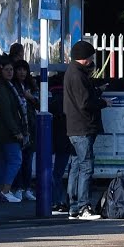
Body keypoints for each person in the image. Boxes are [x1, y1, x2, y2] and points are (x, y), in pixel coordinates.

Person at [64, 40, 107, 220]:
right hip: (83, 127)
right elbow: (85, 102)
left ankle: (73, 207)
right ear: (85, 58)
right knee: (86, 167)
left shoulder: (71, 72)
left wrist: (96, 90)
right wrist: (104, 102)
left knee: (75, 166)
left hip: (74, 127)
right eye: (90, 57)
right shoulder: (78, 75)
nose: (92, 60)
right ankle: (84, 207)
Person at [0, 56, 28, 204]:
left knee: (5, 161)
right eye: (7, 70)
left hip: (3, 131)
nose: (10, 72)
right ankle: (5, 190)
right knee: (15, 160)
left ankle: (2, 190)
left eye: (11, 69)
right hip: (7, 132)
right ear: (1, 70)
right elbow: (6, 112)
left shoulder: (7, 86)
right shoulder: (3, 88)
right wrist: (16, 131)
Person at [10, 59, 40, 201]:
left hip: (30, 127)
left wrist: (30, 97)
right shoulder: (13, 87)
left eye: (24, 70)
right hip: (19, 126)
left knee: (28, 160)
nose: (22, 72)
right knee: (18, 160)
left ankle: (27, 188)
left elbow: (40, 104)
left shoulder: (31, 86)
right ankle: (18, 187)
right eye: (19, 69)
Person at [48, 69, 73, 215]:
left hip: (51, 139)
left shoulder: (50, 99)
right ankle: (64, 201)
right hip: (66, 139)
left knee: (53, 173)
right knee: (64, 171)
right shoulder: (69, 98)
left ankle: (55, 201)